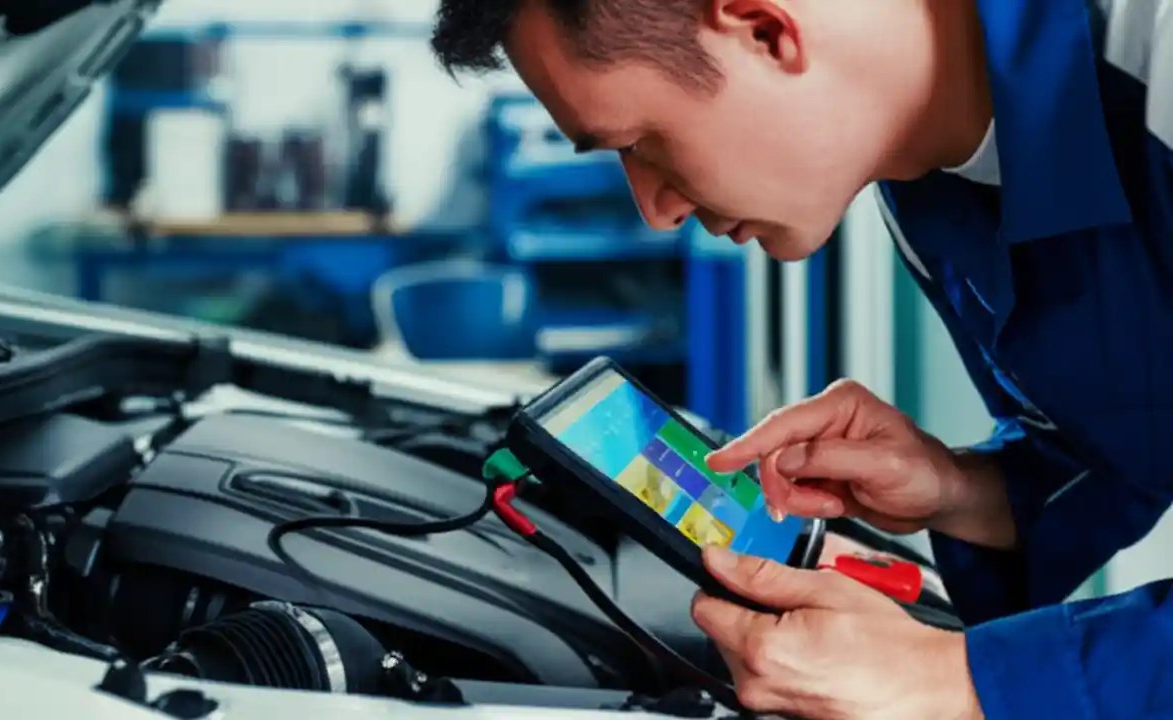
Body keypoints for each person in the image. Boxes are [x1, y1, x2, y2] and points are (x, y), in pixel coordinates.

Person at [429, 0, 1173, 718]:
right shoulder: (929, 190)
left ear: (762, 28)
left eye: (636, 142)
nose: (655, 210)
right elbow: (1138, 445)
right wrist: (963, 488)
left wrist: (959, 682)